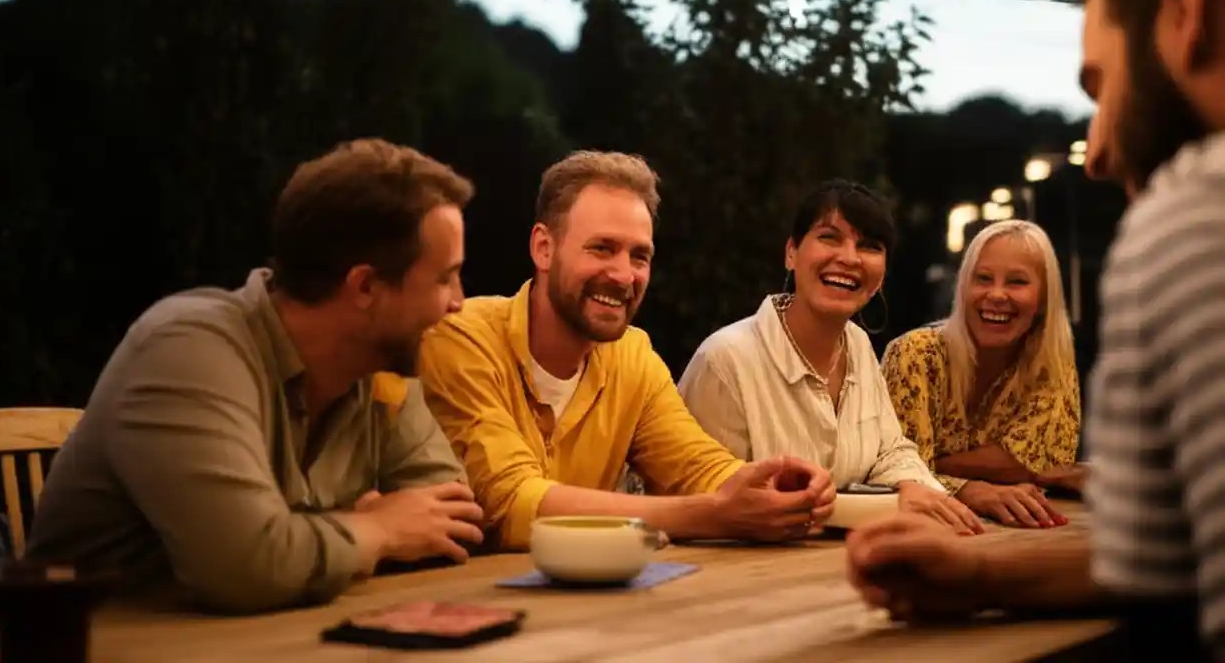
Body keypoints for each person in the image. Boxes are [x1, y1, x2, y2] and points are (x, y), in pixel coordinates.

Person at [847, 0, 1225, 657]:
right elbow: (1157, 558)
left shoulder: (1199, 210)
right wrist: (983, 567)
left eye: (1103, 86)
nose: (1102, 148)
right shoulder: (917, 352)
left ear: (1185, 10)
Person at [28, 139, 486, 614]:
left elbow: (450, 523)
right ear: (365, 286)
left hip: (277, 640)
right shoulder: (188, 352)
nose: (457, 301)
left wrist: (312, 542)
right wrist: (380, 530)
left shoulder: (381, 370)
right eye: (443, 278)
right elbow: (249, 568)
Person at [417, 151, 836, 550]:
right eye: (602, 248)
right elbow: (509, 503)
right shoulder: (461, 336)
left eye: (640, 256)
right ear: (543, 248)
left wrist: (777, 489)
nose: (623, 275)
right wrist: (712, 515)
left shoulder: (632, 355)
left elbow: (696, 467)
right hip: (448, 605)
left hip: (584, 605)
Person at [679, 180, 982, 535]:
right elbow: (716, 499)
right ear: (791, 253)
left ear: (882, 274)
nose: (849, 258)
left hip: (841, 570)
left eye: (869, 246)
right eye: (829, 237)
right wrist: (886, 505)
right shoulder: (725, 359)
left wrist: (911, 485)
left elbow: (890, 451)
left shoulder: (858, 345)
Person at [880, 220, 1079, 529]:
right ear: (963, 288)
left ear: (1043, 300)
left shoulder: (1052, 359)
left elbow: (1033, 462)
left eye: (1017, 282)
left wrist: (937, 465)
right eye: (983, 278)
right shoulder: (914, 354)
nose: (996, 294)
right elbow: (893, 473)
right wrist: (971, 490)